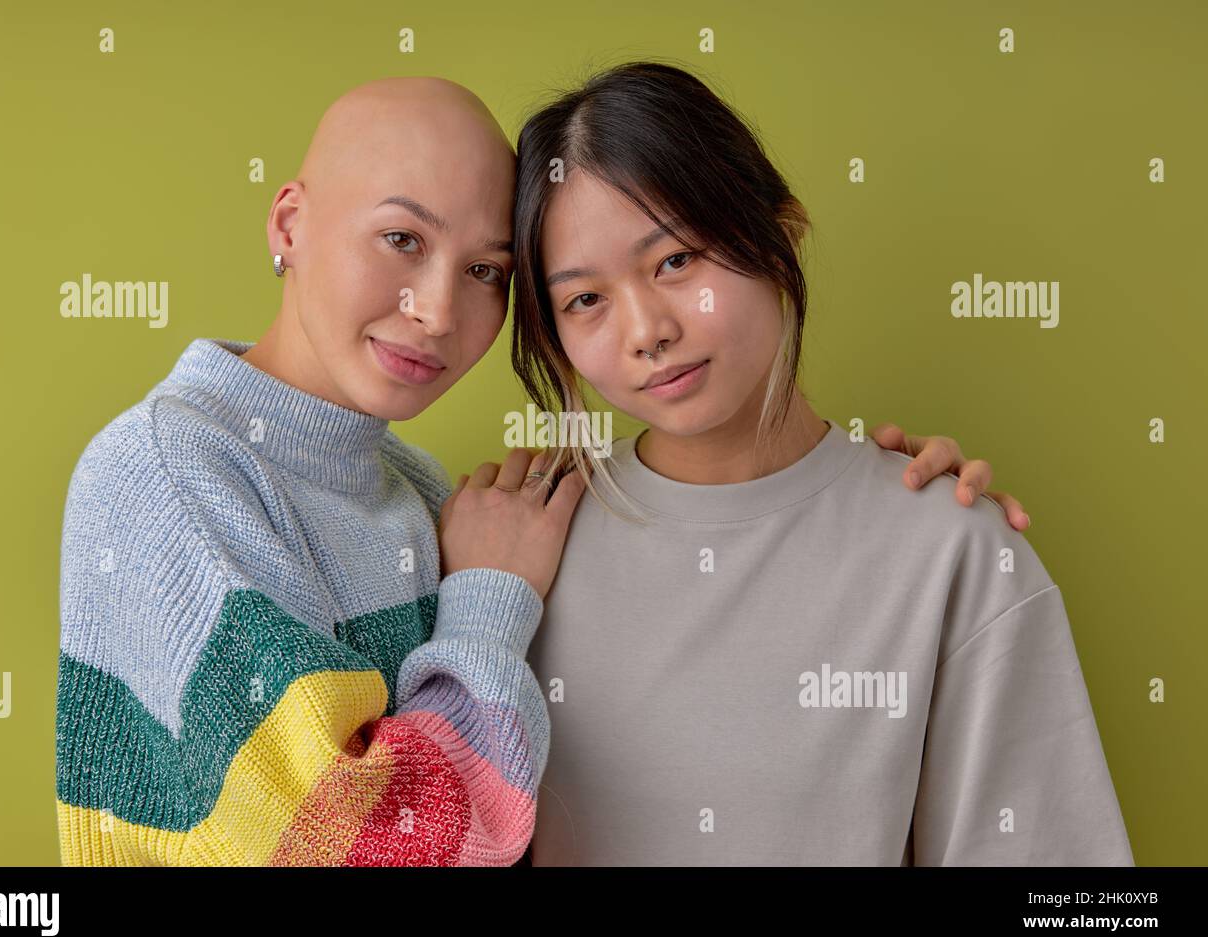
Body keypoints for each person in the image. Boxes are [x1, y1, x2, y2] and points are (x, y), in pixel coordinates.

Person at [55, 72, 1029, 867]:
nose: (439, 309)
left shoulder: (425, 494)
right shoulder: (169, 474)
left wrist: (875, 507)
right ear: (288, 224)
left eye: (485, 272)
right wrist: (484, 596)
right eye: (401, 238)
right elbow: (355, 851)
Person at [509, 62, 1133, 866]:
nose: (646, 330)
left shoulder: (955, 554)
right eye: (584, 299)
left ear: (782, 235)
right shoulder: (515, 554)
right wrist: (484, 591)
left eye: (675, 261)